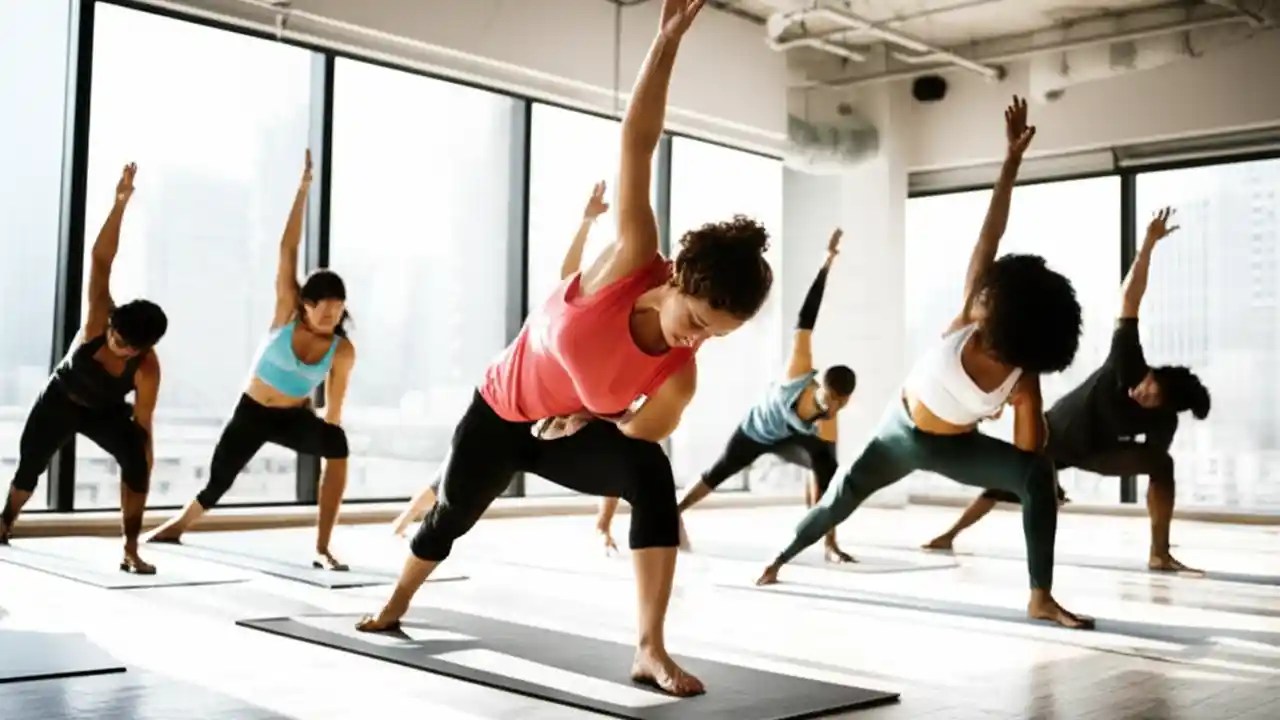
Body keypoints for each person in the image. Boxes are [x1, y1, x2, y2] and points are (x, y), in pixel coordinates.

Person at [355, 0, 774, 697]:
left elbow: (636, 431)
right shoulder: (632, 257)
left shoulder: (680, 377)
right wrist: (667, 42)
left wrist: (589, 417)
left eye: (715, 336)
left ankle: (650, 648)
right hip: (500, 411)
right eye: (697, 319)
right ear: (677, 279)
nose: (696, 339)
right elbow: (638, 140)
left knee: (652, 477)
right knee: (451, 515)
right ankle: (397, 600)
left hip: (562, 435)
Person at [756, 96, 1095, 631]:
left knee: (1039, 474)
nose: (982, 292)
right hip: (899, 433)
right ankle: (779, 558)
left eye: (992, 297)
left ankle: (1040, 596)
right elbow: (990, 234)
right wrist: (1010, 160)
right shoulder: (968, 316)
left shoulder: (1022, 374)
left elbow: (1028, 455)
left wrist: (1024, 405)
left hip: (956, 446)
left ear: (1009, 333)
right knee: (838, 501)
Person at [922, 207, 1211, 572]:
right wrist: (1148, 245)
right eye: (1150, 387)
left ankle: (1159, 552)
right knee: (1006, 481)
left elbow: (1151, 463)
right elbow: (1129, 299)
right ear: (1152, 373)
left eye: (1154, 401)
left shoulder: (1163, 423)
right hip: (1058, 431)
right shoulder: (1128, 359)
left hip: (1099, 451)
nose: (1144, 395)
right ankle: (949, 534)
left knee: (1162, 464)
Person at [144, 151, 357, 570]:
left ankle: (323, 546)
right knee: (219, 479)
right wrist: (303, 190)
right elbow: (287, 248)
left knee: (338, 445)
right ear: (306, 304)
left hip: (292, 418)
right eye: (324, 309)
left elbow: (335, 407)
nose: (331, 317)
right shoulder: (286, 313)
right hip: (253, 411)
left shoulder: (342, 350)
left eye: (338, 311)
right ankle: (177, 526)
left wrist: (328, 428)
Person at [594, 229, 857, 563]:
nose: (832, 406)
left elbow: (826, 487)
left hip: (797, 438)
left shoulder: (828, 424)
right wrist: (826, 264)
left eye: (839, 404)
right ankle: (673, 511)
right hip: (758, 429)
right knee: (718, 472)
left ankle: (828, 543)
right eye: (829, 398)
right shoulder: (799, 369)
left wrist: (827, 532)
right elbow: (807, 317)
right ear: (820, 386)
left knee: (827, 476)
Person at [389, 181, 613, 539]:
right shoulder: (569, 309)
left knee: (620, 448)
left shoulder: (606, 343)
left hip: (550, 414)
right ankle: (404, 523)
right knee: (452, 479)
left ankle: (607, 525)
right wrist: (586, 222)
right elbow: (569, 271)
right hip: (508, 402)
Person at [0, 163, 167, 574]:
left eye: (125, 345)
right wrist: (120, 203)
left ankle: (130, 549)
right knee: (30, 467)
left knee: (137, 462)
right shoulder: (98, 320)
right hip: (61, 397)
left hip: (104, 412)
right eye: (114, 335)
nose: (115, 343)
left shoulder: (147, 369)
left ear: (142, 349)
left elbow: (143, 424)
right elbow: (101, 259)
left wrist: (142, 466)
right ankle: (5, 522)